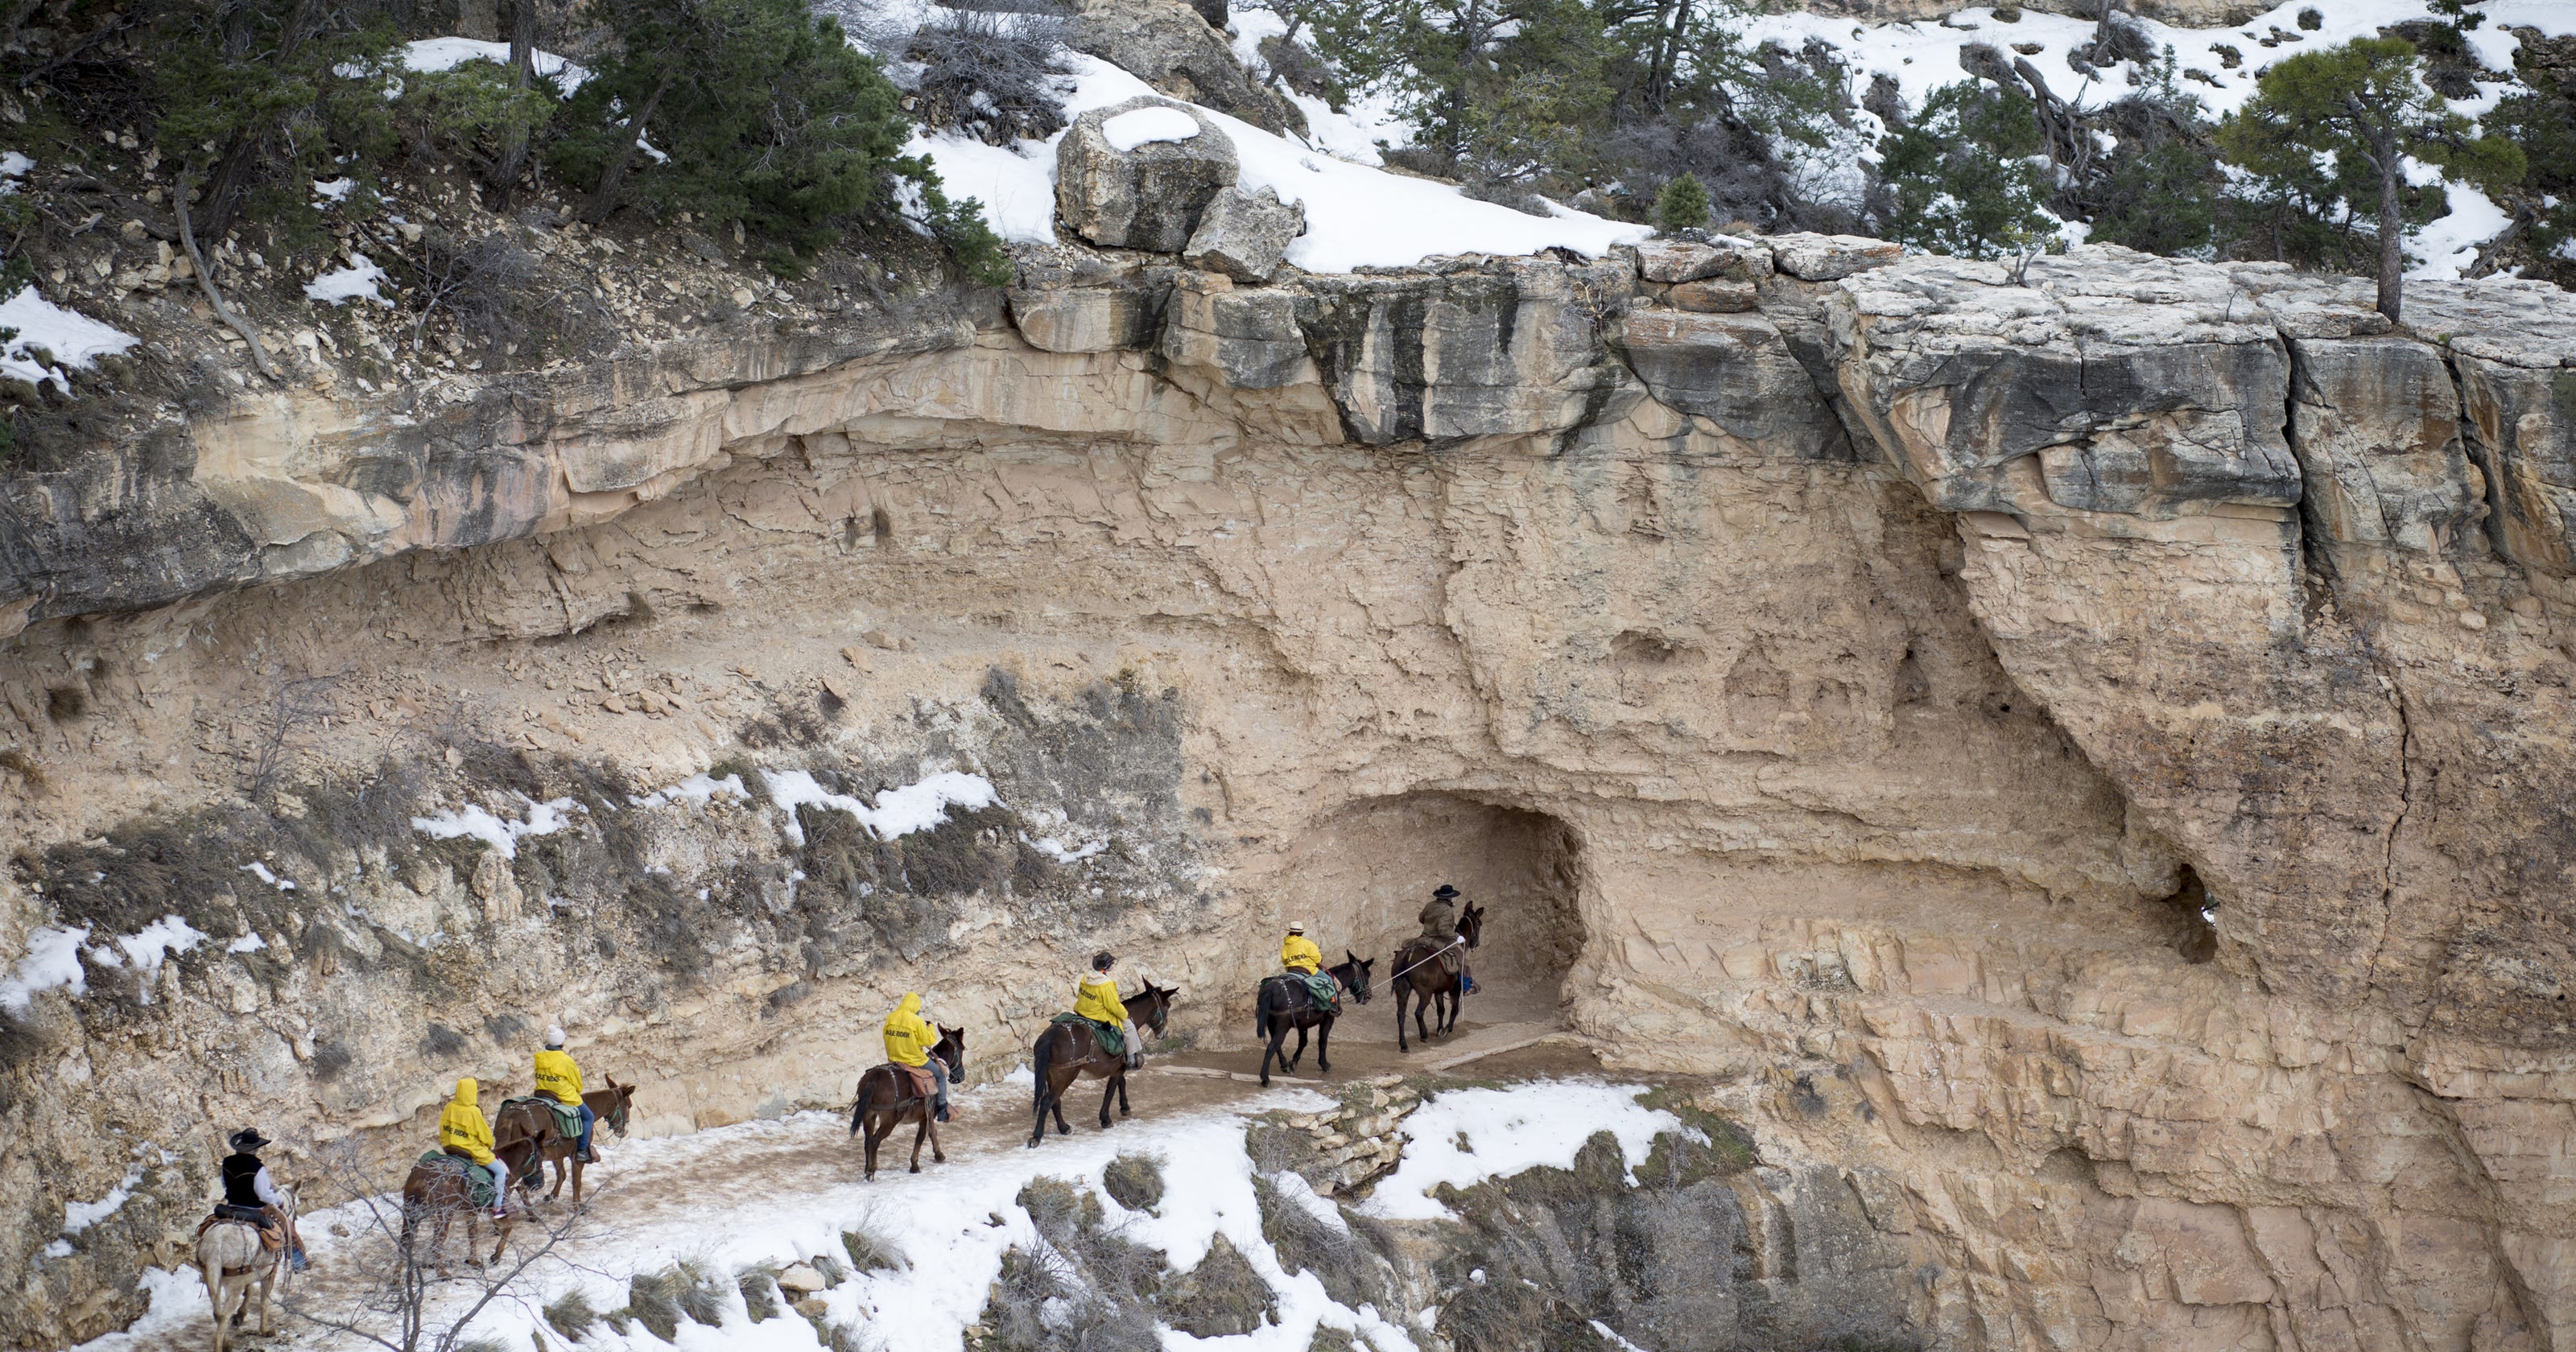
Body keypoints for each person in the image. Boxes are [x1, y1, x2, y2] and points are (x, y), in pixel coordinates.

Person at [215, 1128, 306, 1272]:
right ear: (256, 1149)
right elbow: (263, 1194)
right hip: (256, 1210)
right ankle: (299, 1263)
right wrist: (278, 1201)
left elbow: (224, 1184)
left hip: (232, 1207)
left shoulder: (227, 1162)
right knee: (288, 1230)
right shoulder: (258, 1167)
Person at [437, 1078, 508, 1220]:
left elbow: (443, 1128)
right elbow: (486, 1137)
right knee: (501, 1171)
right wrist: (488, 1145)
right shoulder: (473, 1111)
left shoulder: (449, 1107)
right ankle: (497, 1207)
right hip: (471, 1152)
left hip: (450, 1148)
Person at [533, 1028, 603, 1164]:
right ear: (562, 1043)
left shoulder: (539, 1057)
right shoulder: (566, 1060)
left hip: (543, 1094)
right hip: (564, 1097)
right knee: (589, 1117)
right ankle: (582, 1151)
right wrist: (576, 1090)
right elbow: (577, 1083)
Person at [881, 991, 952, 1123]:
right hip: (914, 1060)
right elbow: (928, 1041)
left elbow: (886, 1035)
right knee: (941, 1075)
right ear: (915, 1006)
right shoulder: (916, 1020)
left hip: (894, 1059)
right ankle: (942, 1109)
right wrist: (929, 1027)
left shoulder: (891, 1017)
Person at [1075, 951, 1141, 1069]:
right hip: (1098, 1016)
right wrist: (1125, 1014)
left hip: (1082, 1011)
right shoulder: (1106, 984)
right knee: (1129, 1026)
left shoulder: (1086, 976)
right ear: (1107, 967)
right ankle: (1131, 1060)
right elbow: (1114, 1006)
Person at [1418, 884, 1478, 994]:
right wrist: (1457, 937)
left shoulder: (1429, 905)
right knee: (1463, 959)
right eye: (1451, 897)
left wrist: (1431, 924)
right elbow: (1443, 930)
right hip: (1439, 940)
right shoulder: (1447, 910)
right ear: (1449, 897)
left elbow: (1421, 919)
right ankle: (1466, 987)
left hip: (1424, 938)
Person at [1279, 922, 1336, 1012]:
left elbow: (1284, 960)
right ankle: (1333, 1005)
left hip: (1291, 971)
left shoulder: (1285, 946)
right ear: (1301, 933)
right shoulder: (1307, 944)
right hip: (1309, 971)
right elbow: (1317, 959)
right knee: (1329, 980)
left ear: (1290, 932)